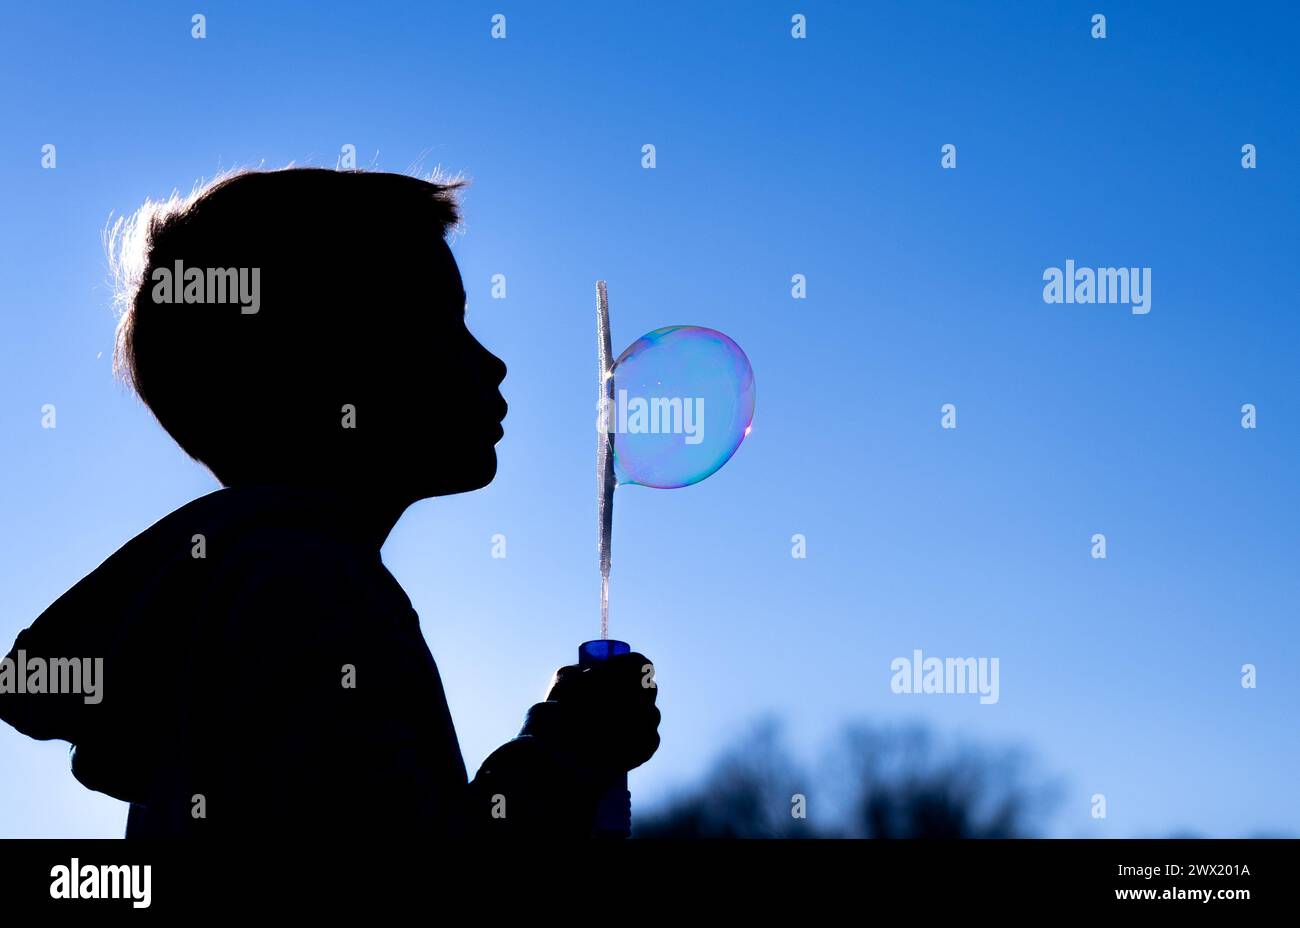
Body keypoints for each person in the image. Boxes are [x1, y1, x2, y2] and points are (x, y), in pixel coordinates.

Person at [0, 167, 659, 837]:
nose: (493, 364)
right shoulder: (308, 589)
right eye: (443, 322)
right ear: (328, 362)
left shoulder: (243, 589)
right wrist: (564, 755)